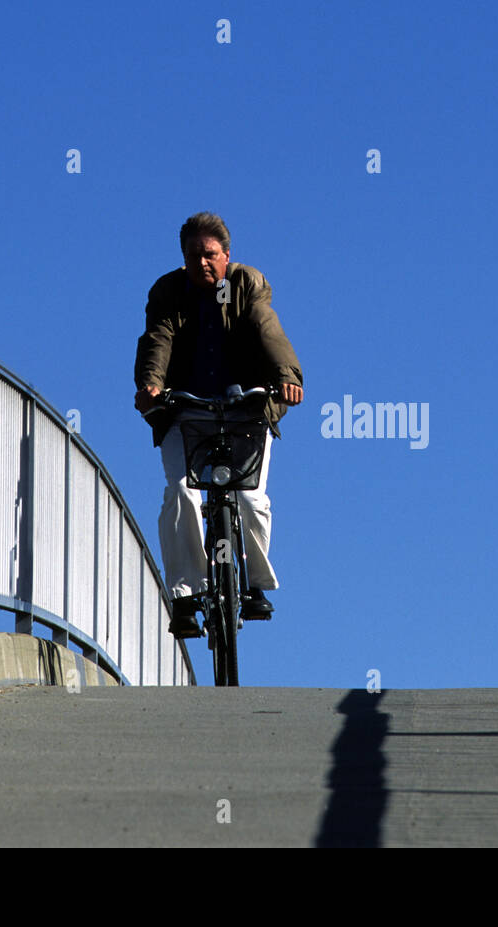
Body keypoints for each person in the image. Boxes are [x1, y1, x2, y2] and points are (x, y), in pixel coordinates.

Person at [134, 212, 304, 638]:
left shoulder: (246, 285)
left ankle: (256, 587)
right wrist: (151, 387)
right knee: (181, 495)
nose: (202, 263)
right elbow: (159, 339)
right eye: (193, 256)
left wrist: (286, 377)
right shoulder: (169, 292)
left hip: (245, 410)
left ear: (227, 256)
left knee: (249, 501)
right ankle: (187, 597)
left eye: (210, 255)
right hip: (185, 411)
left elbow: (267, 329)